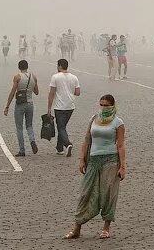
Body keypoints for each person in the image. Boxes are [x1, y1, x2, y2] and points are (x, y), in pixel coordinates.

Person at [64, 94, 125, 240]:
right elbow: (86, 139)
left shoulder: (118, 123)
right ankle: (77, 227)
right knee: (85, 193)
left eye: (106, 105)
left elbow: (121, 145)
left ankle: (106, 227)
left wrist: (122, 166)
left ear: (113, 106)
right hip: (93, 159)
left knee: (108, 193)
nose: (103, 108)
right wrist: (82, 159)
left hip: (110, 160)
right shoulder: (93, 119)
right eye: (101, 105)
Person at [3, 59, 39, 156]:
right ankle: (32, 140)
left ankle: (22, 150)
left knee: (19, 127)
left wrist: (7, 106)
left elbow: (13, 91)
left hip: (20, 104)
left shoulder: (17, 77)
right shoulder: (33, 77)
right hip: (30, 103)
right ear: (27, 67)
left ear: (19, 67)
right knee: (29, 125)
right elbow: (36, 92)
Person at [48, 58, 81, 156]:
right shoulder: (74, 77)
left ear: (59, 66)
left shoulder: (55, 77)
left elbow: (52, 93)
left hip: (59, 107)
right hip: (70, 106)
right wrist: (69, 91)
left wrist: (49, 108)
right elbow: (78, 92)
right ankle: (59, 148)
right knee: (62, 127)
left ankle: (67, 144)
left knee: (61, 127)